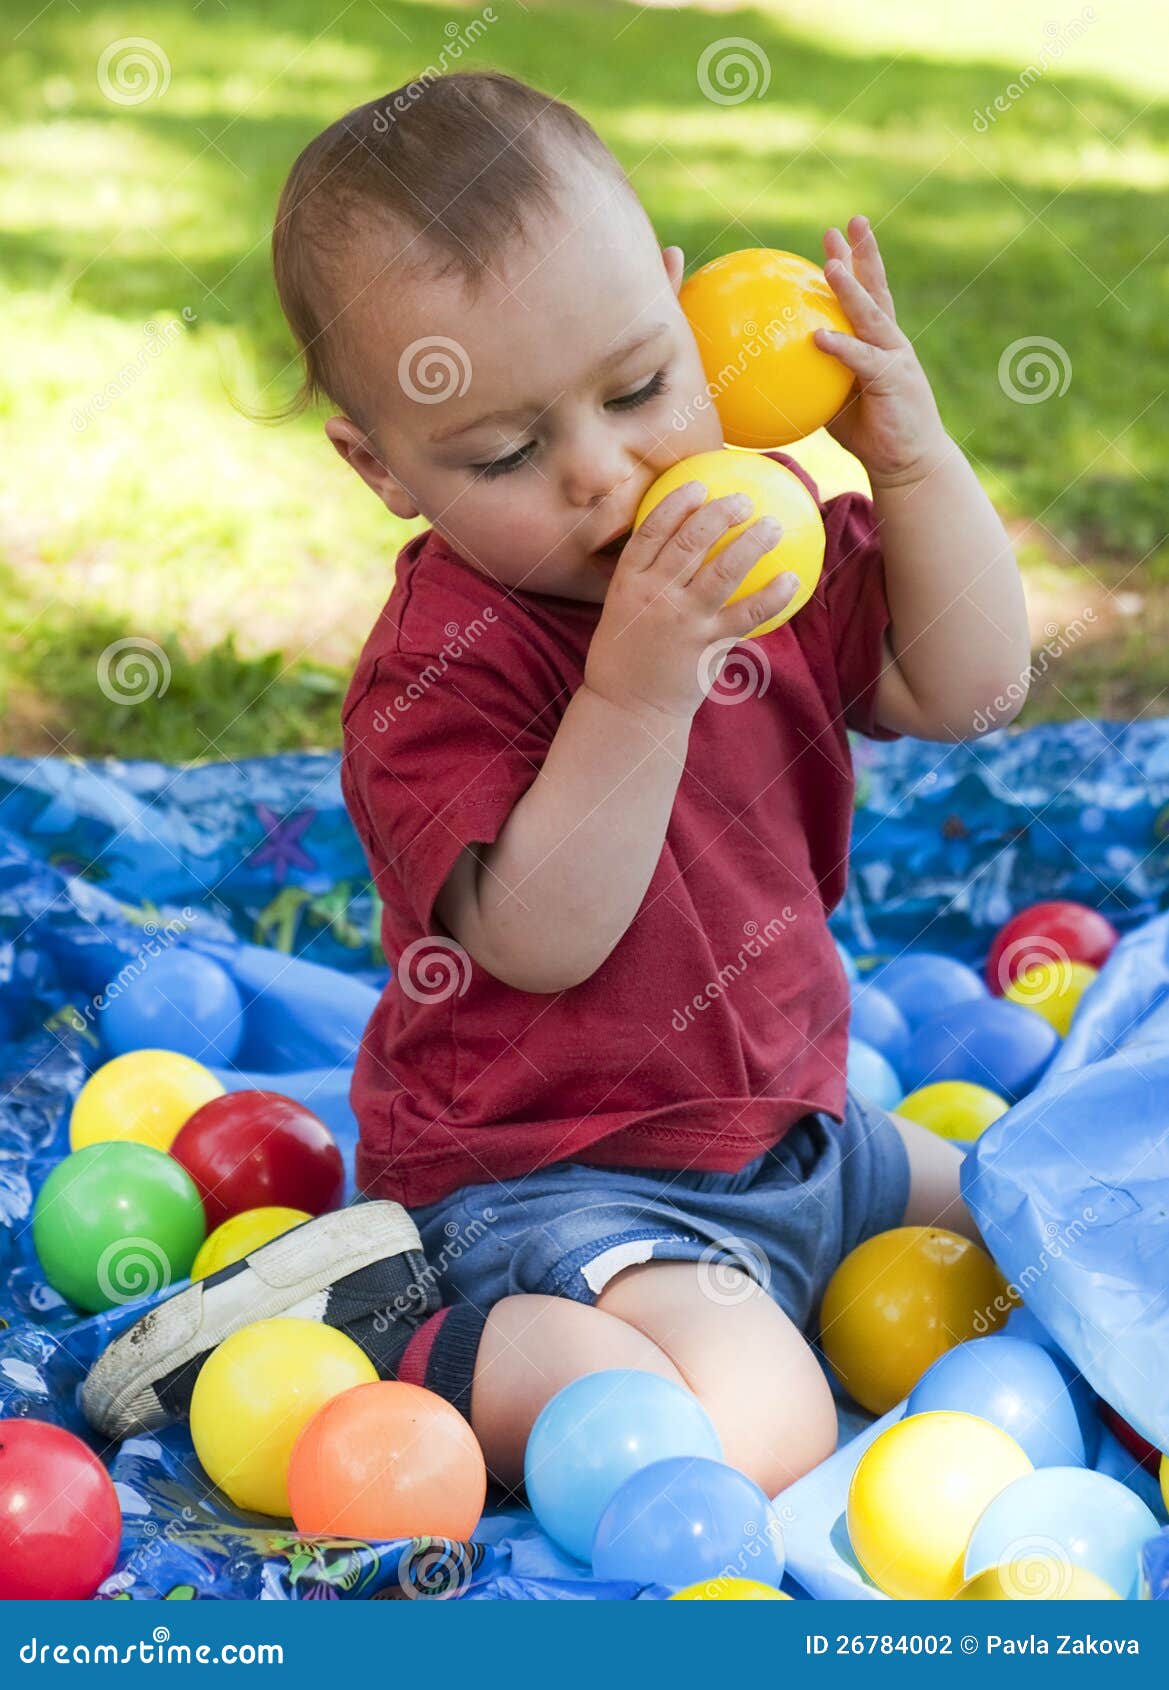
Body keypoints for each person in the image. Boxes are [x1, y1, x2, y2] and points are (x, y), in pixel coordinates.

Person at [85, 70, 1029, 1500]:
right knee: (751, 1434)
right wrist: (638, 680)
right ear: (380, 464)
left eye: (640, 386)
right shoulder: (438, 671)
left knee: (1053, 1217)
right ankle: (391, 1316)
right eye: (510, 451)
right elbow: (540, 934)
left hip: (792, 1129)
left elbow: (968, 690)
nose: (600, 473)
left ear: (677, 303)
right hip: (550, 1175)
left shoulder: (747, 543)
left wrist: (912, 460)